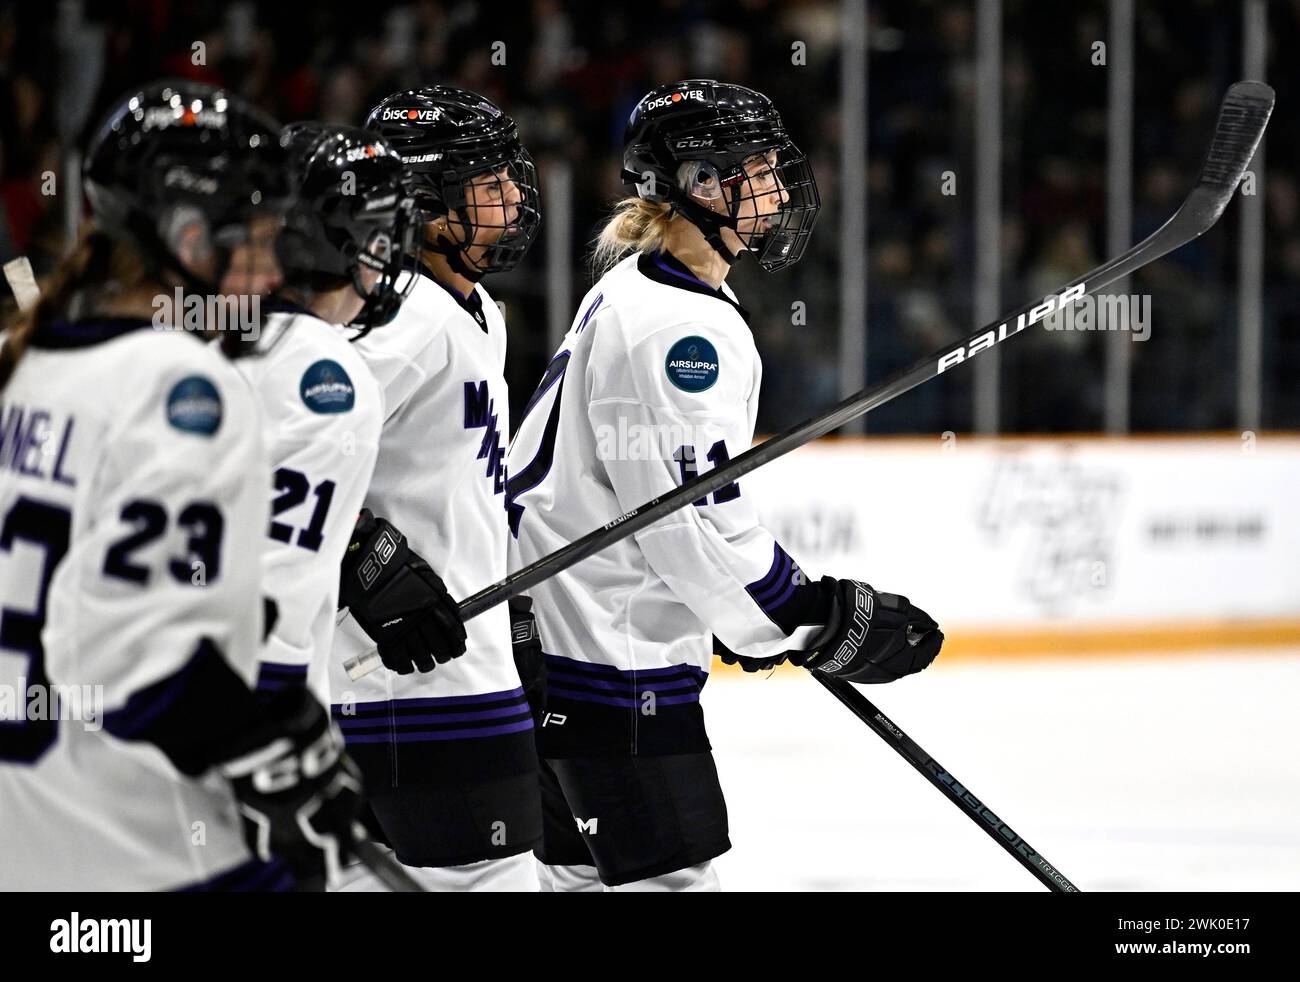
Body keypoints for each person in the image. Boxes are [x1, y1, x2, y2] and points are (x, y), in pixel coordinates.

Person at [506, 79, 944, 892]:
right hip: (610, 663)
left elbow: (652, 507)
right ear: (701, 184)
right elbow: (688, 525)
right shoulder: (682, 330)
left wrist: (750, 615)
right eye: (760, 170)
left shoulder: (643, 289)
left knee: (581, 883)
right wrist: (810, 616)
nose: (779, 190)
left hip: (561, 649)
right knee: (669, 883)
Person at [0, 80, 362, 890]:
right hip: (144, 847)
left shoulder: (23, 367)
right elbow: (126, 649)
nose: (271, 273)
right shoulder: (180, 388)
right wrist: (273, 745)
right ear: (188, 239)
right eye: (252, 241)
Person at [330, 85, 544, 891]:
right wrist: (367, 561)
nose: (513, 197)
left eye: (510, 177)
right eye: (488, 183)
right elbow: (266, 454)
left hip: (452, 674)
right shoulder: (402, 318)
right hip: (406, 687)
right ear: (425, 203)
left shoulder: (477, 310)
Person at [239, 120, 464, 708]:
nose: (390, 256)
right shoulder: (326, 371)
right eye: (381, 236)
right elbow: (267, 592)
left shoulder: (213, 333)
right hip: (234, 711)